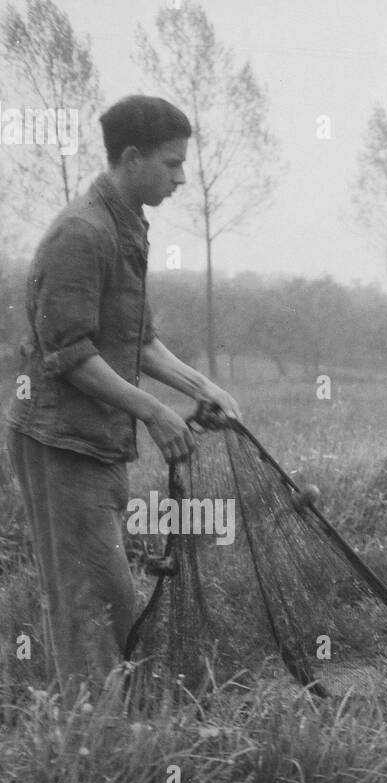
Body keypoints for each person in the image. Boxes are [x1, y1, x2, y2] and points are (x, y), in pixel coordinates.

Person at [5, 94, 241, 699]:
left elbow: (138, 340)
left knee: (108, 593)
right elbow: (71, 355)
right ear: (131, 157)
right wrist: (157, 412)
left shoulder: (126, 222)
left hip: (99, 438)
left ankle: (111, 730)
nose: (182, 177)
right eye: (171, 163)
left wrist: (201, 386)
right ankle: (99, 749)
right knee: (92, 600)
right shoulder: (82, 233)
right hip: (60, 441)